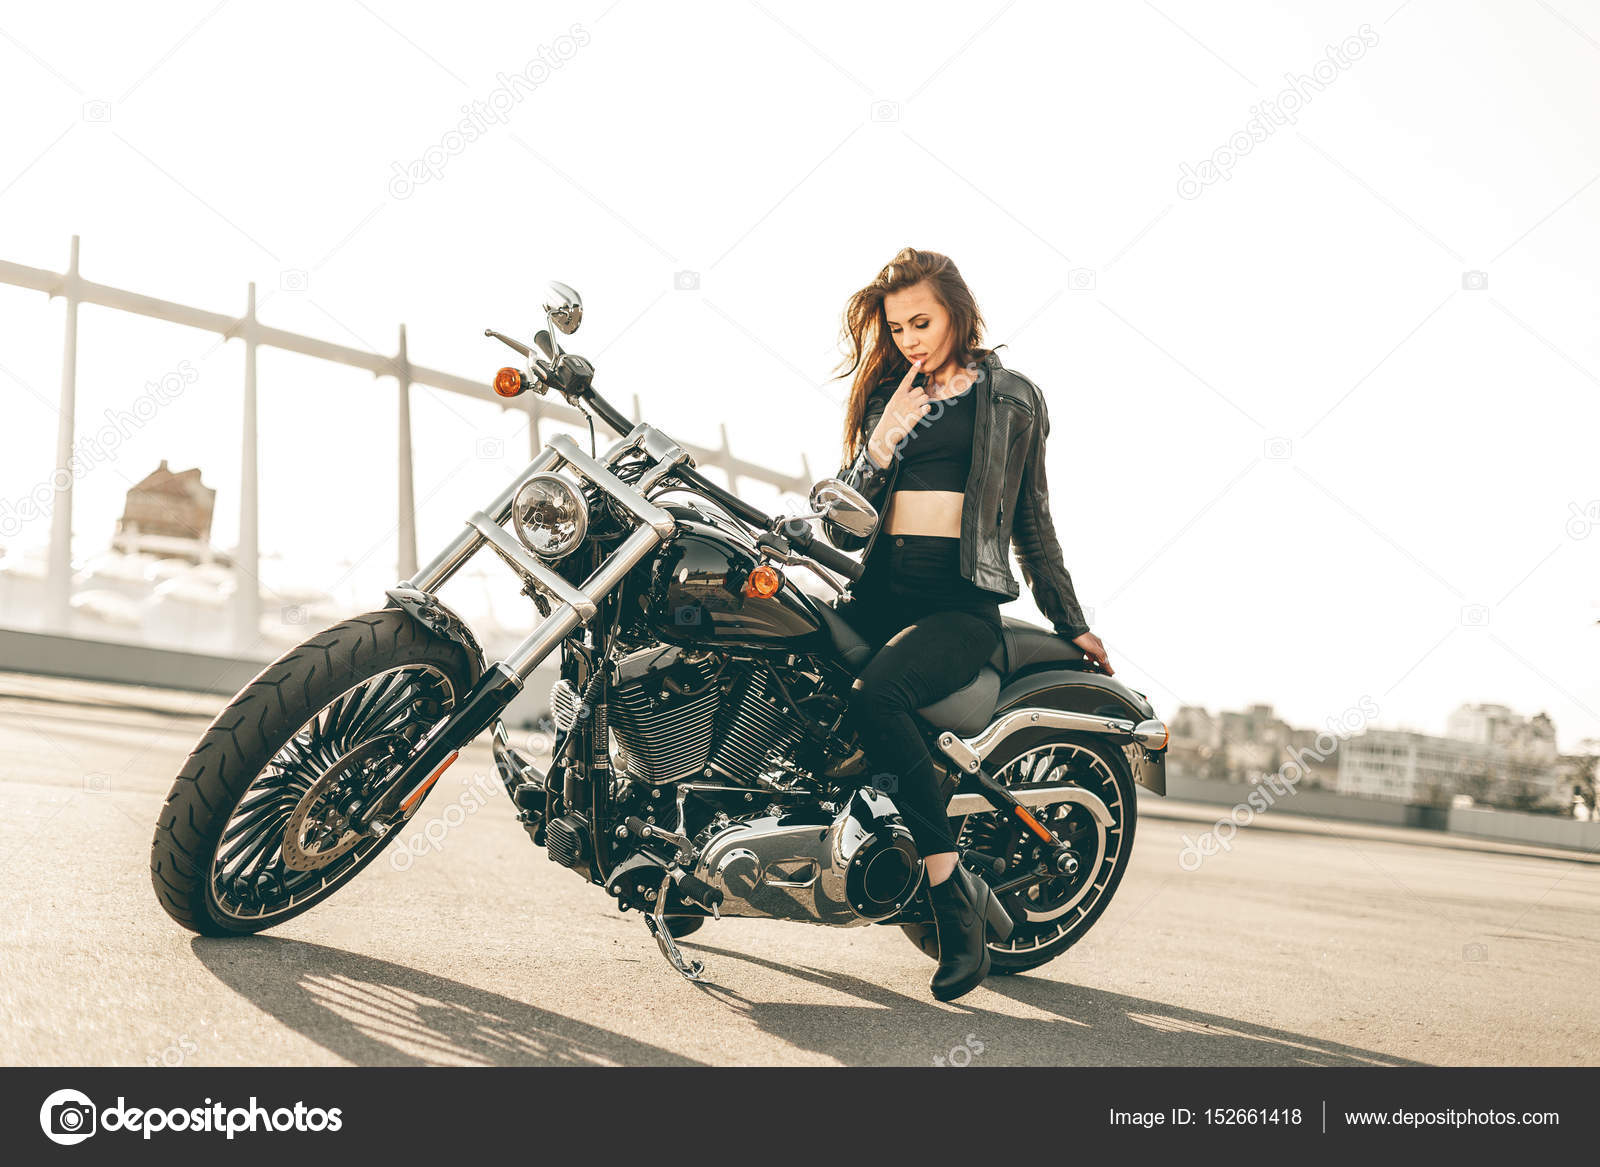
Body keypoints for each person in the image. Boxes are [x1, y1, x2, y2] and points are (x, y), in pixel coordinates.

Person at [822, 247, 1112, 1001]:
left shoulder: (1013, 398)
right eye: (898, 326)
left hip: (959, 611)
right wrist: (882, 440)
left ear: (956, 309)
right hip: (878, 597)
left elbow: (1033, 524)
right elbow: (846, 531)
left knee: (878, 697)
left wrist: (1071, 620)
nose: (911, 337)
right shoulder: (890, 390)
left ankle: (955, 909)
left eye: (923, 320)